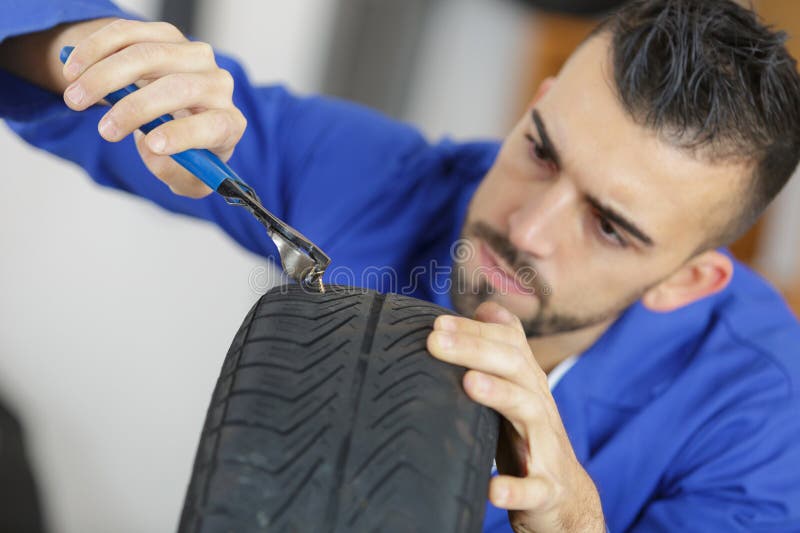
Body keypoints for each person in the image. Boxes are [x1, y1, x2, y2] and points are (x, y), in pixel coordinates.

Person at [2, 0, 799, 531]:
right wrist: (100, 54)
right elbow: (74, 77)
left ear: (688, 278)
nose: (525, 226)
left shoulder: (766, 417)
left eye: (610, 226)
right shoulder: (395, 184)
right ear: (536, 101)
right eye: (540, 149)